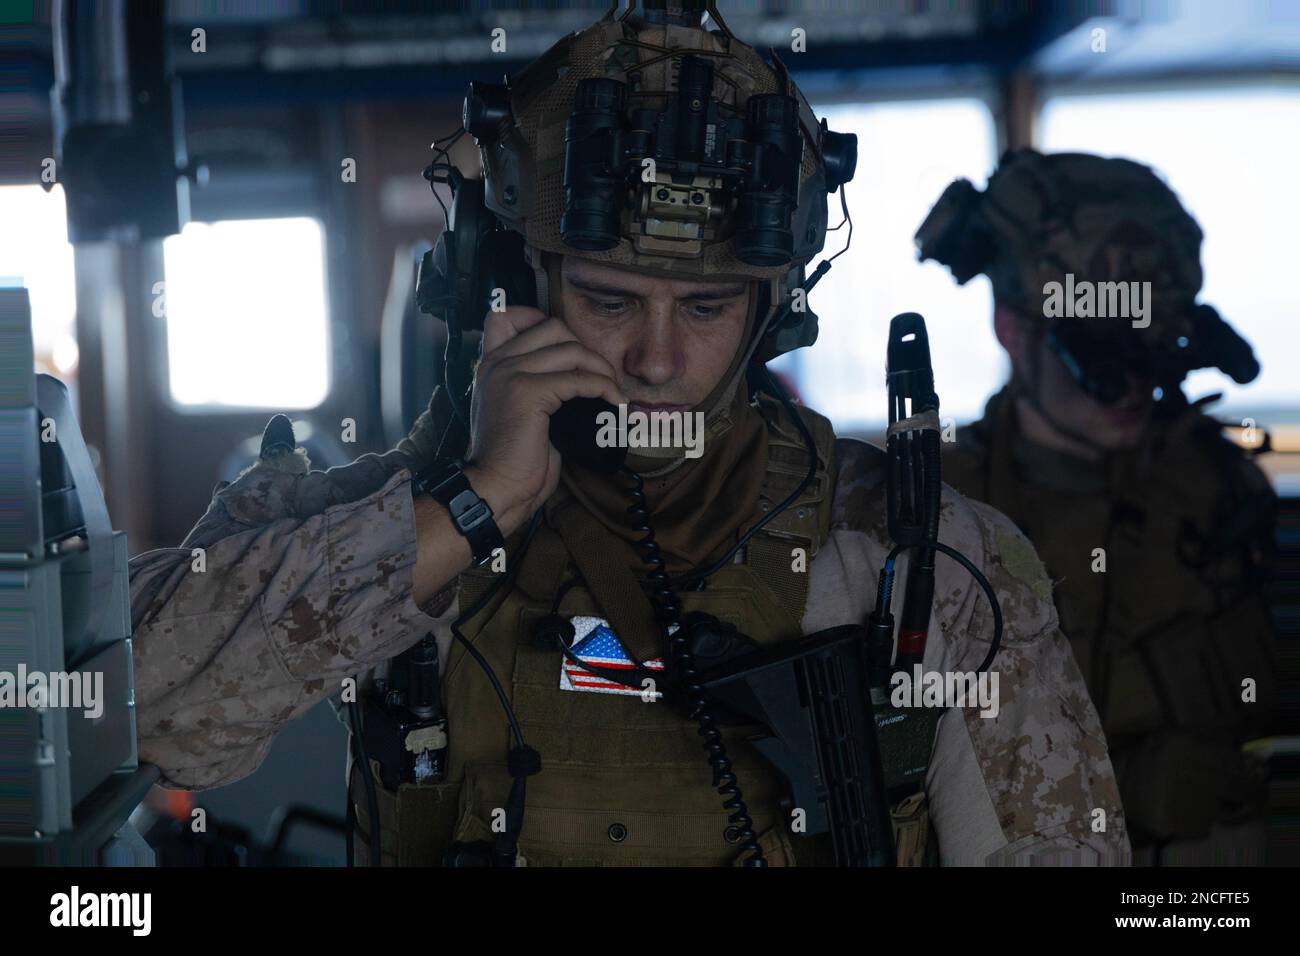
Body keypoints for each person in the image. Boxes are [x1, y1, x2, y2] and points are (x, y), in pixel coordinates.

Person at [128, 4, 1127, 866]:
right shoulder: (400, 517)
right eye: (608, 299)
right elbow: (132, 709)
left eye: (703, 309)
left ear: (772, 310)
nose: (652, 359)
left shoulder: (922, 561)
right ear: (519, 285)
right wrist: (474, 507)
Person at [917, 149, 1277, 864]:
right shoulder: (940, 508)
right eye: (1103, 357)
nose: (1132, 385)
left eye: (1155, 347)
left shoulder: (1222, 489)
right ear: (1014, 329)